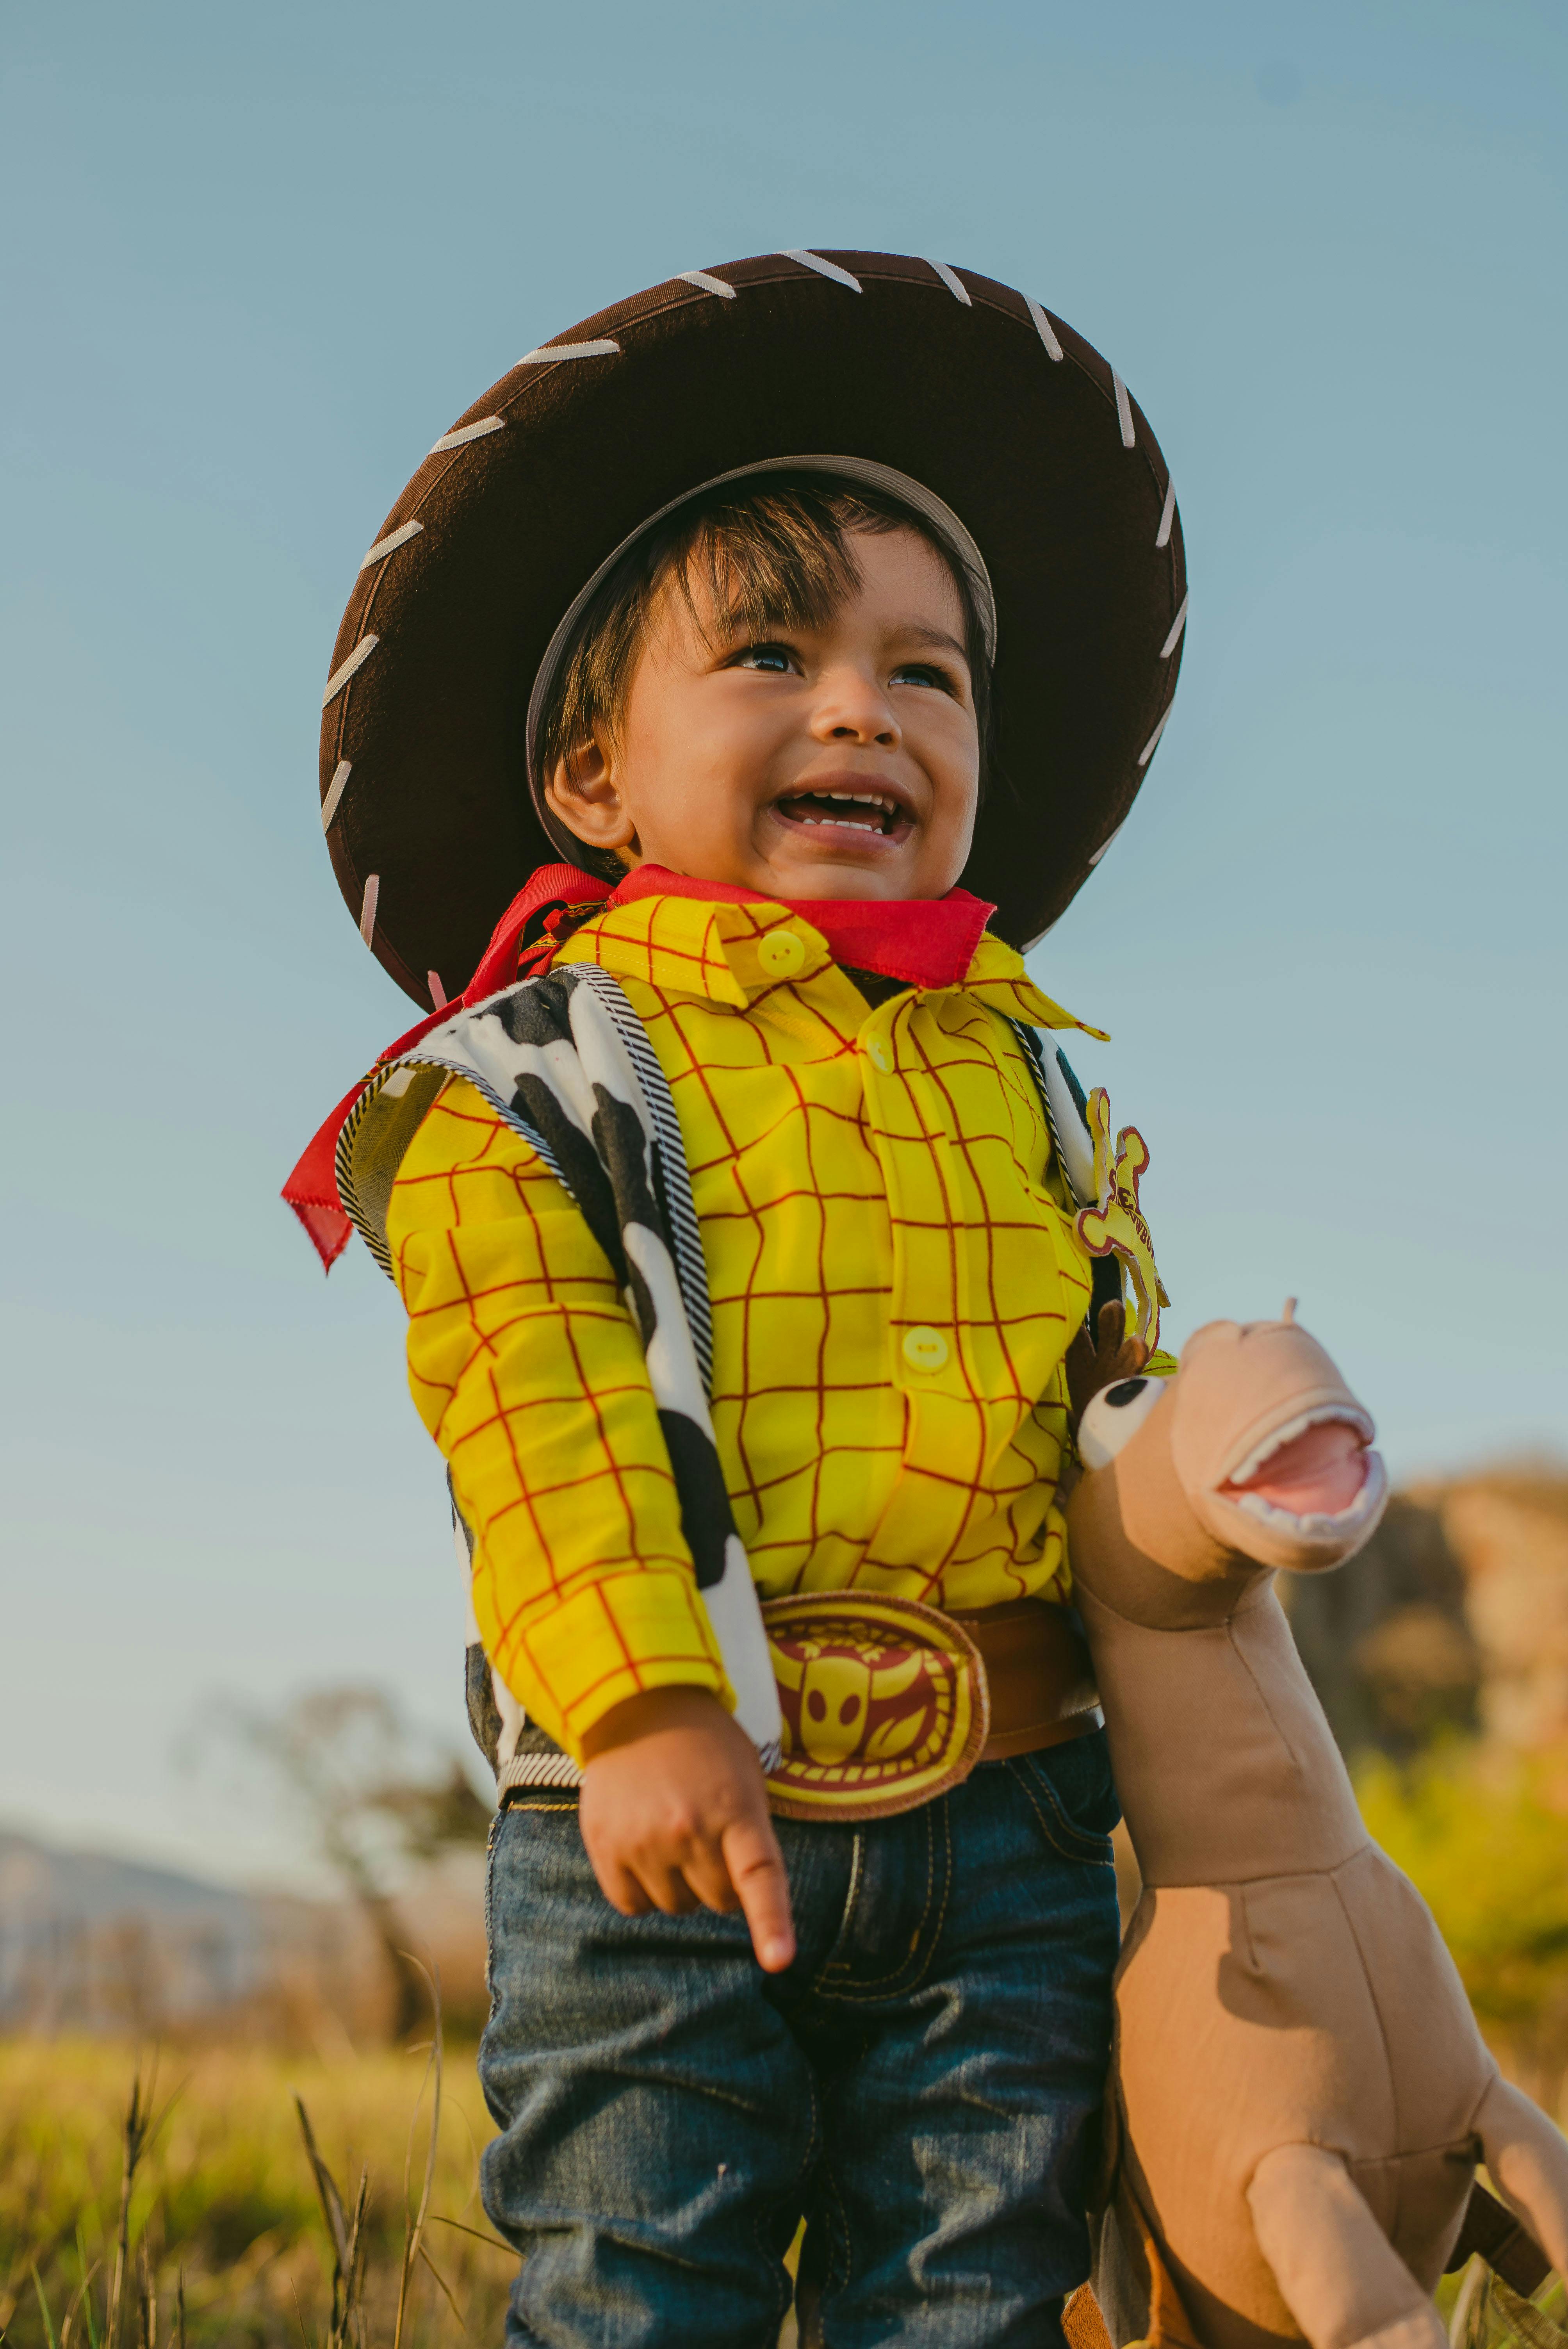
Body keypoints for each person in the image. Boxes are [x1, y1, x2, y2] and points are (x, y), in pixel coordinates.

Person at [285, 251, 1188, 2348]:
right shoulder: (535, 1076)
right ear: (594, 780)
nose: (863, 708)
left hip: (1012, 1825)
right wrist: (644, 1704)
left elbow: (1105, 1420)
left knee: (975, 2287)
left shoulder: (1032, 1079)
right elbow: (537, 1408)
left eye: (927, 674)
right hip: (660, 1814)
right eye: (771, 653)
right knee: (647, 2276)